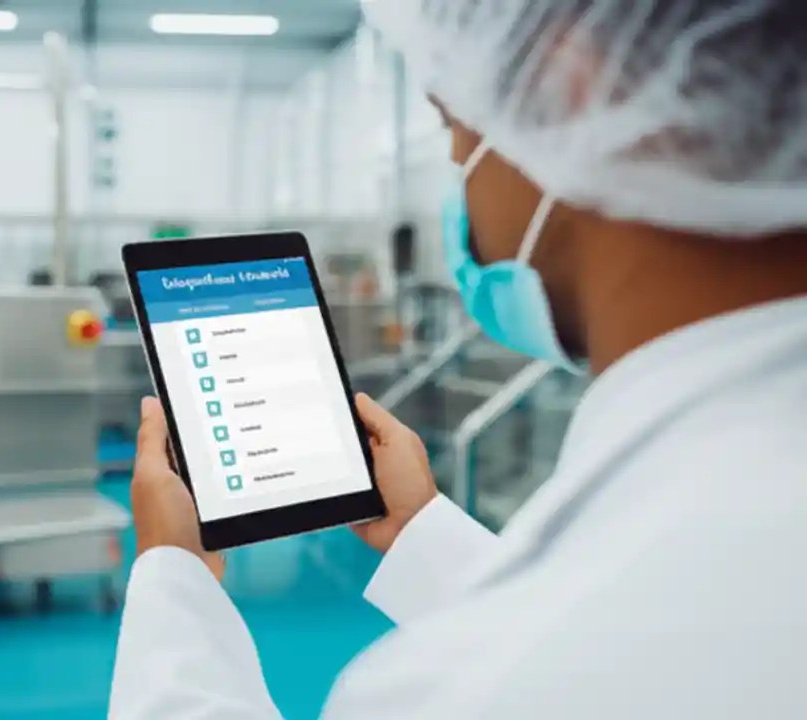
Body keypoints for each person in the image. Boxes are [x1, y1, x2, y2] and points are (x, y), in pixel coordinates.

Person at [110, 1, 807, 717]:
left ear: (572, 90)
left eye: (453, 128)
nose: (458, 175)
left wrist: (174, 575)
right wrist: (424, 534)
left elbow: (551, 655)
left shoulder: (455, 689)